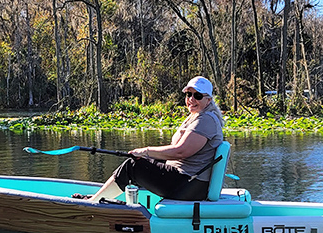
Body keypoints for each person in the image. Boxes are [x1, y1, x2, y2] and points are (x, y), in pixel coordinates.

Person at [87, 76, 224, 203]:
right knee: (139, 161)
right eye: (189, 94)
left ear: (208, 100)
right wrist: (145, 157)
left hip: (190, 185)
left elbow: (181, 152)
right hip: (187, 182)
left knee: (133, 166)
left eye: (197, 95)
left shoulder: (206, 119)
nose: (191, 99)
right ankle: (100, 198)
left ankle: (94, 202)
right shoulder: (197, 116)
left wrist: (146, 151)